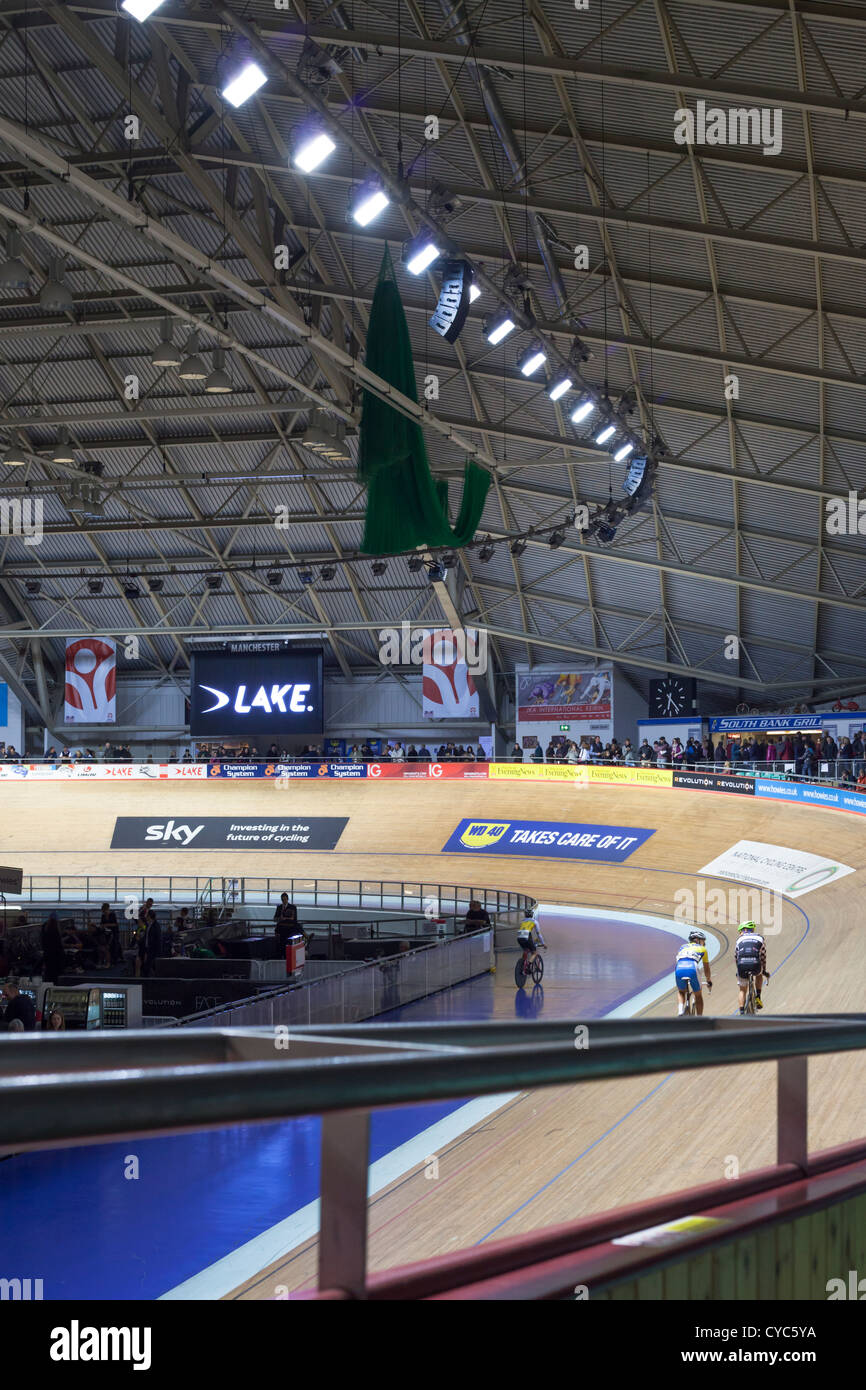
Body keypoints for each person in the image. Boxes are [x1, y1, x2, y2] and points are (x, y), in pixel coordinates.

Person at [674, 930, 713, 1015]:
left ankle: (680, 1011)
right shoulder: (703, 949)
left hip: (679, 968)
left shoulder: (682, 947)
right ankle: (699, 1019)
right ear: (697, 940)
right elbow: (706, 969)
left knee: (681, 991)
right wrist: (708, 980)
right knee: (698, 995)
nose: (704, 943)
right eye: (703, 940)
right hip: (692, 967)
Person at [735, 920, 769, 1013]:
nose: (740, 933)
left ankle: (742, 1012)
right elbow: (763, 956)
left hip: (741, 966)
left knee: (742, 990)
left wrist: (738, 970)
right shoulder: (760, 938)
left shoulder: (739, 939)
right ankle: (758, 996)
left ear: (744, 929)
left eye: (740, 931)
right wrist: (764, 970)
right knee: (759, 974)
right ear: (752, 930)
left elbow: (736, 956)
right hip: (755, 965)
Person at [40, 912, 66, 983]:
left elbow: (42, 939)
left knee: (48, 970)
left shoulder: (45, 926)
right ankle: (54, 983)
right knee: (55, 971)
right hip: (55, 953)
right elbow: (58, 942)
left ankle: (47, 983)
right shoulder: (56, 928)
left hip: (47, 952)